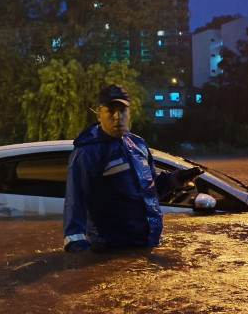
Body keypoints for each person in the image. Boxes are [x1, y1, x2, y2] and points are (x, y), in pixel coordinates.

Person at [63, 84, 200, 252]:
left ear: (129, 113)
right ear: (99, 115)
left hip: (146, 244)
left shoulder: (138, 144)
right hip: (111, 251)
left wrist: (173, 180)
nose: (117, 117)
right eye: (111, 111)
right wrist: (79, 253)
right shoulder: (87, 152)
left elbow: (149, 191)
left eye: (122, 111)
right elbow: (75, 203)